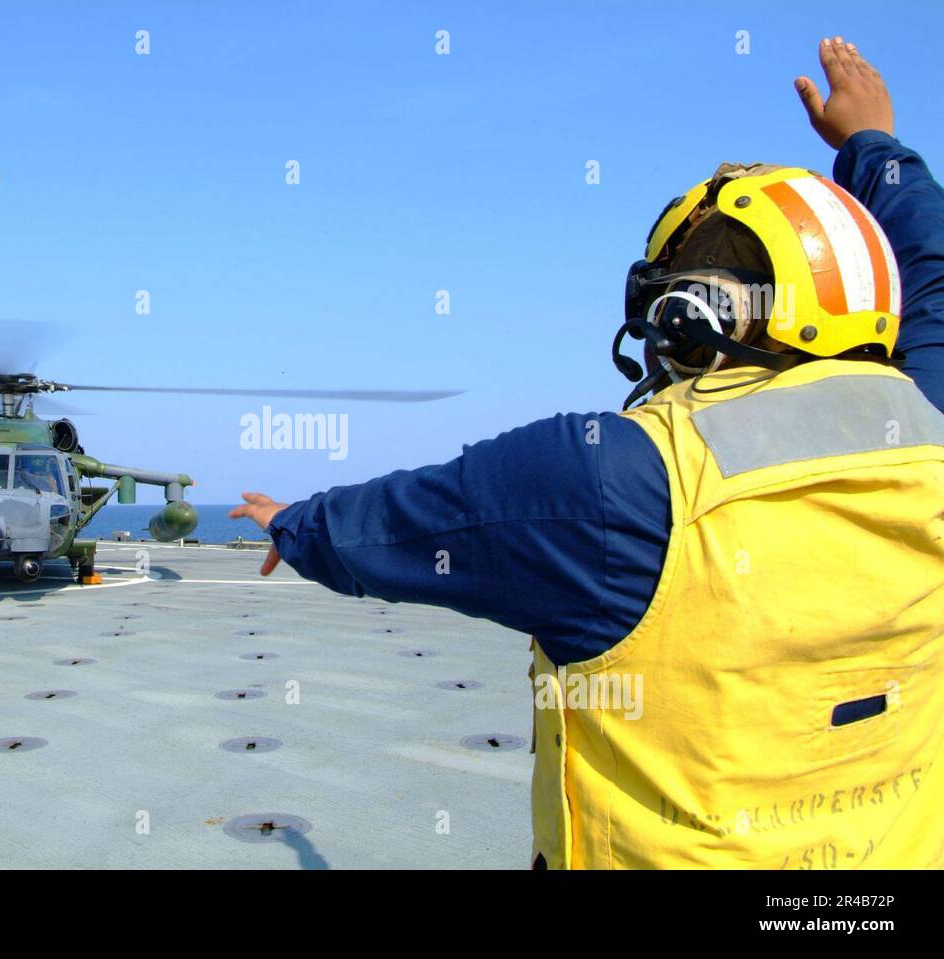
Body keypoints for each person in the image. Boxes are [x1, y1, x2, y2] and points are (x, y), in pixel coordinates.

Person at [231, 38, 944, 869]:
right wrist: (875, 147)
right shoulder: (926, 423)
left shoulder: (615, 479)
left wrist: (296, 524)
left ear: (689, 313)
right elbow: (930, 270)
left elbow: (405, 520)